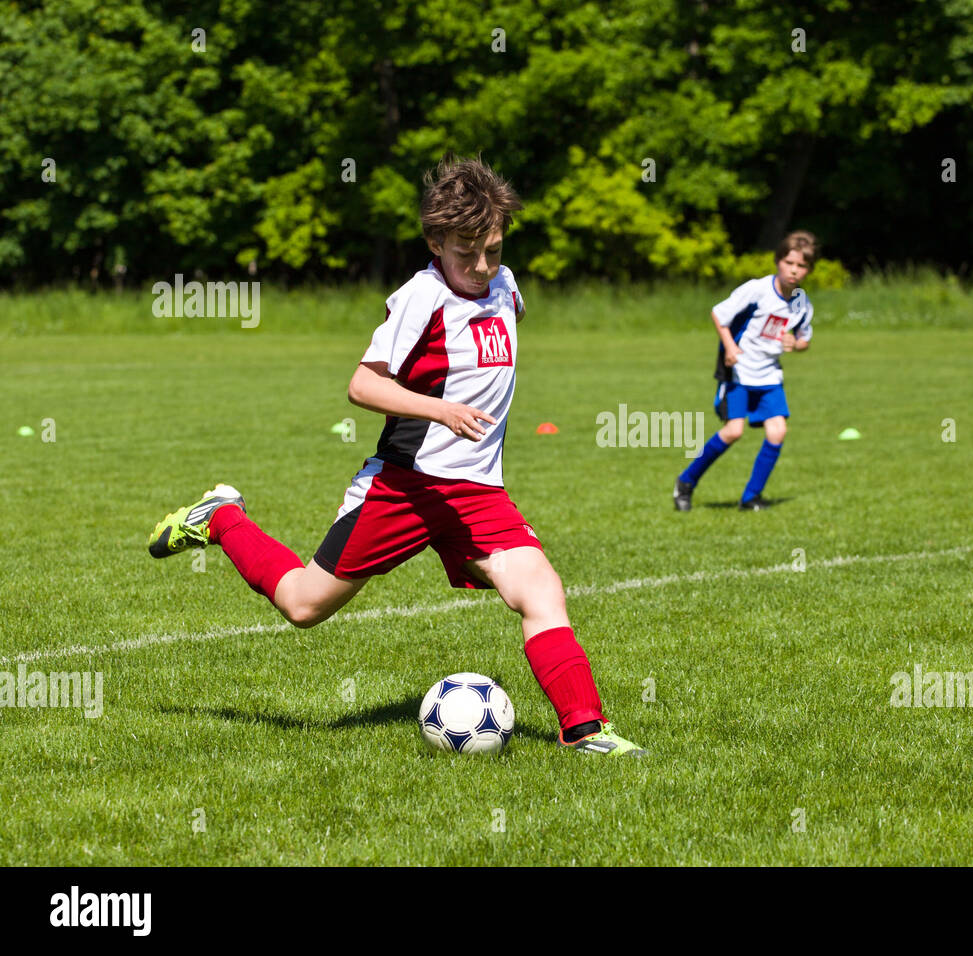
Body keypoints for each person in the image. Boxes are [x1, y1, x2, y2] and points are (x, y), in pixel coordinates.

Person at [147, 155, 645, 757]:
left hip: (478, 493)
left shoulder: (506, 286)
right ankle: (222, 518)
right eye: (467, 252)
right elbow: (362, 384)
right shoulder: (421, 296)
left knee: (541, 590)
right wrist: (439, 410)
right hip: (405, 487)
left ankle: (585, 731)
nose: (482, 265)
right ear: (435, 241)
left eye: (491, 247)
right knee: (304, 606)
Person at [673, 231, 816, 511]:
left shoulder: (801, 302)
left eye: (801, 266)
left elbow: (804, 339)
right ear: (778, 261)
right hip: (739, 372)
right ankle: (686, 481)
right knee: (733, 431)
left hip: (770, 375)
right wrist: (729, 347)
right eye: (789, 263)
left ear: (808, 270)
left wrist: (796, 344)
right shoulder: (758, 290)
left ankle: (751, 498)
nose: (794, 270)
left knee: (777, 431)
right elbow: (719, 314)